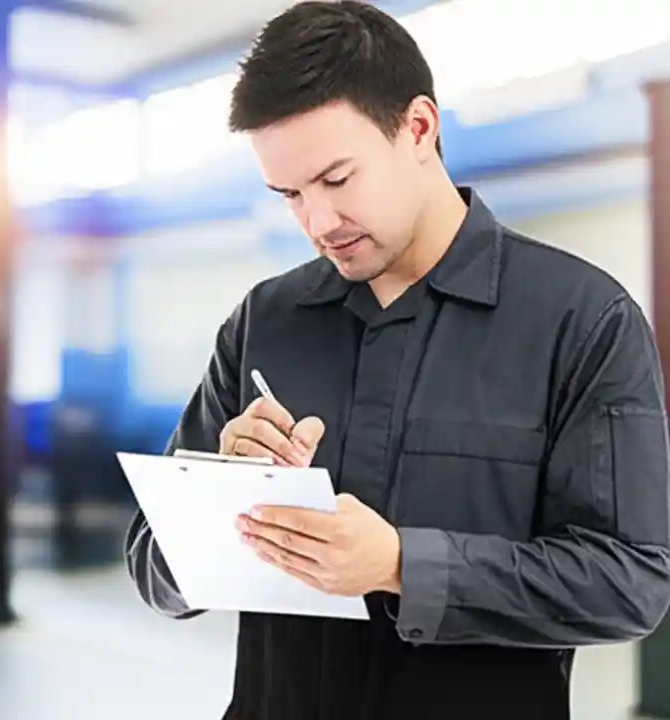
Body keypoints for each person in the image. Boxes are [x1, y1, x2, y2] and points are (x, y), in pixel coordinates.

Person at [124, 2, 670, 718]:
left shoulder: (581, 321)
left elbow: (629, 582)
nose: (317, 223)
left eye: (337, 180)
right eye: (290, 195)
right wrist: (217, 501)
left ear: (419, 128)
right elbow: (154, 571)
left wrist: (400, 566)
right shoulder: (266, 321)